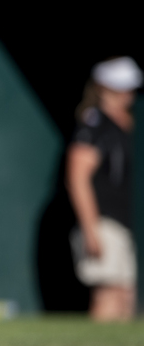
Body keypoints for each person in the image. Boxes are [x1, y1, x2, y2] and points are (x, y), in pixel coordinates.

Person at [66, 57, 140, 322]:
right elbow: (77, 177)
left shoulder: (124, 124)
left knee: (125, 295)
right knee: (108, 293)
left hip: (123, 223)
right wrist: (90, 229)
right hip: (103, 222)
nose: (127, 95)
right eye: (121, 89)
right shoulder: (94, 125)